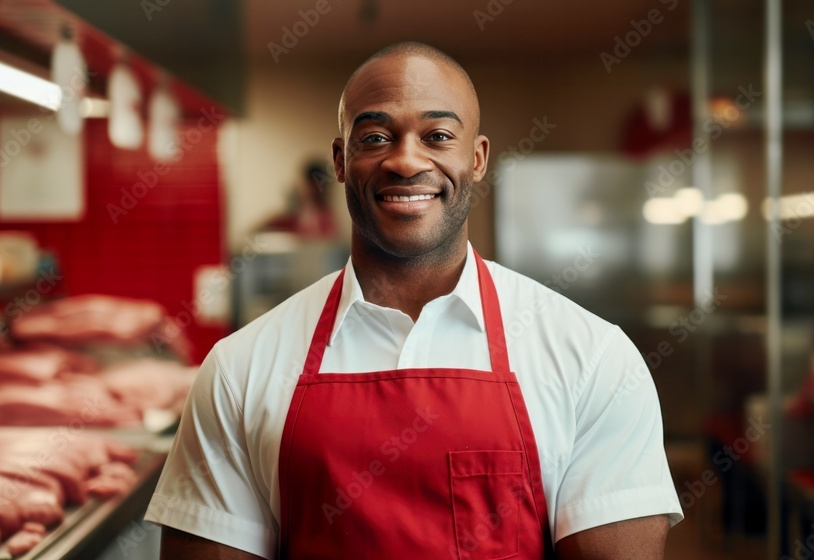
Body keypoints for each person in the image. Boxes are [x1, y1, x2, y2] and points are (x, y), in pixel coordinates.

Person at [145, 41, 683, 559]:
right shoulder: (238, 371)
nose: (405, 160)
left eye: (438, 135)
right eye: (375, 137)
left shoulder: (592, 357)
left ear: (476, 158)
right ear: (340, 159)